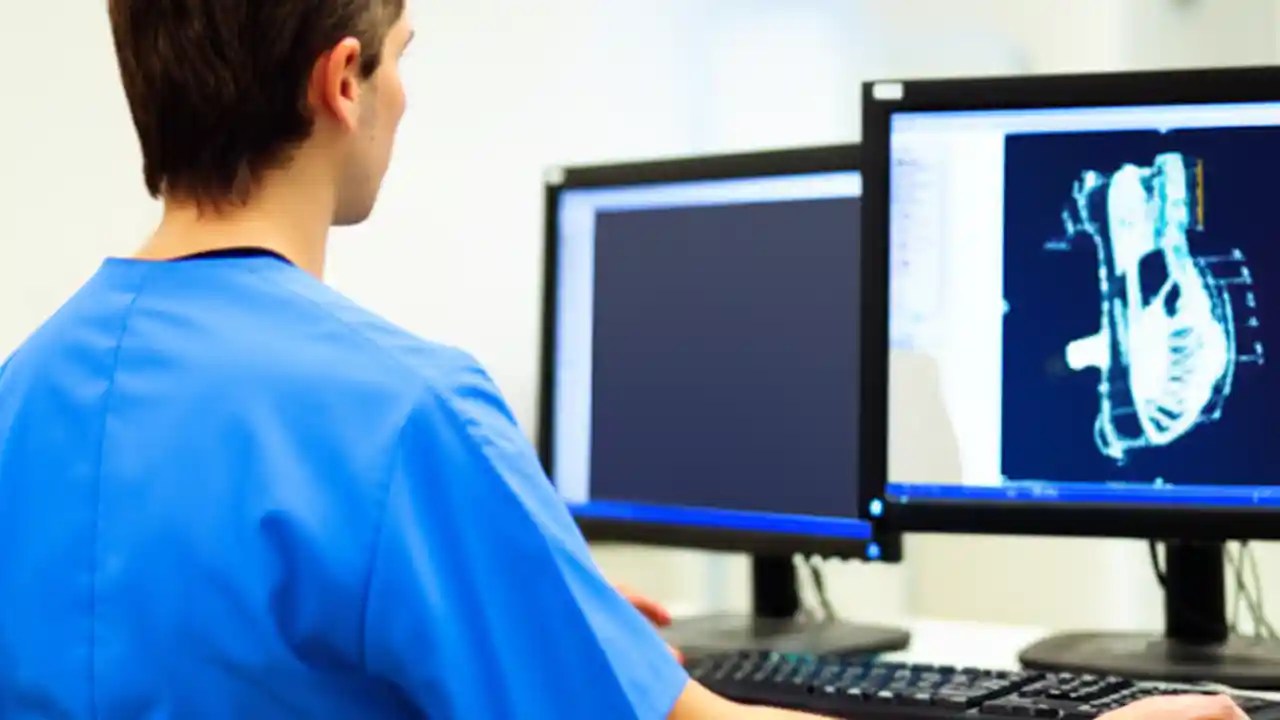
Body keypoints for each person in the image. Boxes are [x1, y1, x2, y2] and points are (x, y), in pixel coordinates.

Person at [0, 1, 1251, 718]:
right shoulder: (401, 417)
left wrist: (557, 601)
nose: (401, 96)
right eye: (403, 53)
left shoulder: (24, 392)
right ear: (342, 81)